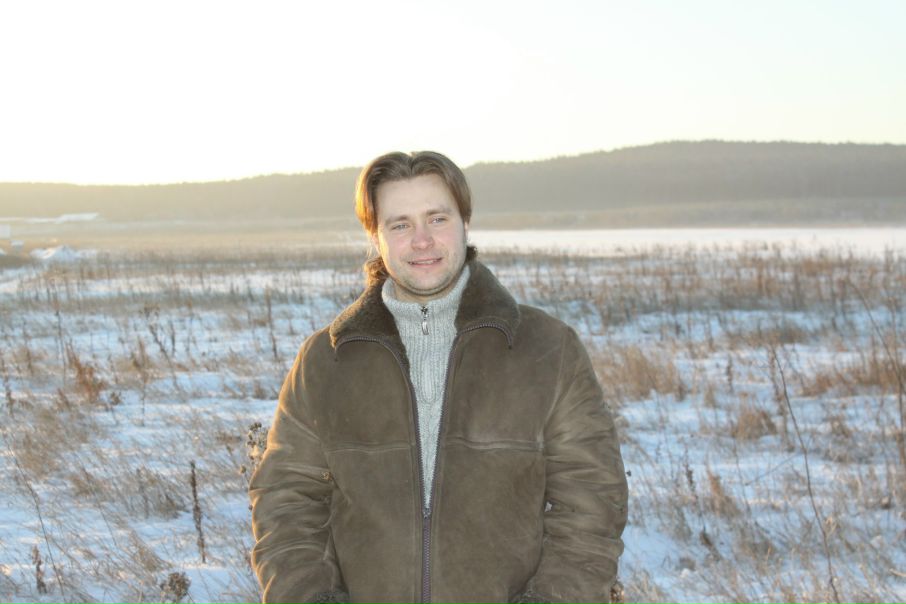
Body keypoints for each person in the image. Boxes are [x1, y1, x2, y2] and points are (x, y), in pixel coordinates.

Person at [249, 151, 628, 604]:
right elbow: (286, 504)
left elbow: (592, 502)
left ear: (465, 222)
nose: (422, 240)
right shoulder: (324, 362)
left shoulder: (548, 349)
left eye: (437, 218)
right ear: (375, 236)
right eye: (400, 224)